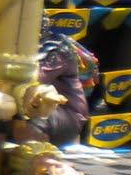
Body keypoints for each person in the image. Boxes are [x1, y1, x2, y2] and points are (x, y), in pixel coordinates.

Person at [22, 17, 99, 148]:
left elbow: (34, 78)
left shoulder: (55, 48)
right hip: (38, 107)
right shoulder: (26, 47)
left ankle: (38, 158)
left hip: (66, 114)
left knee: (31, 122)